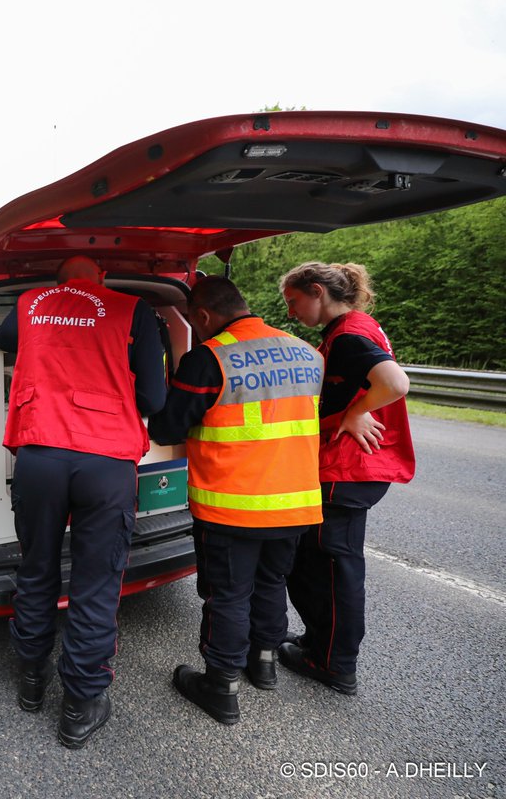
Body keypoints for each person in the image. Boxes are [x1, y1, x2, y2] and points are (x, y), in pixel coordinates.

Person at [0, 254, 166, 749]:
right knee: (96, 581)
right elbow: (154, 400)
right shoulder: (131, 309)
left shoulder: (30, 304)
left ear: (57, 281)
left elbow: (4, 339)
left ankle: (31, 681)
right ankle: (80, 706)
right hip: (105, 459)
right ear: (102, 279)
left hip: (39, 453)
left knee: (37, 568)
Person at [147, 276, 324, 724]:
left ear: (203, 317)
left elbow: (167, 428)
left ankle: (220, 685)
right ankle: (263, 663)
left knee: (227, 594)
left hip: (234, 503)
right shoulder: (305, 352)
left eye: (193, 320)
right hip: (294, 501)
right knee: (271, 582)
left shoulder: (208, 358)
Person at [276, 261, 413, 696]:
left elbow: (395, 382)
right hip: (347, 467)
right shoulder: (350, 328)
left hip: (348, 468)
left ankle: (334, 663)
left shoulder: (350, 335)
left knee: (333, 567)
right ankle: (320, 642)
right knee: (311, 561)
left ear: (317, 291)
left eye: (294, 302)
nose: (291, 313)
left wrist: (355, 413)